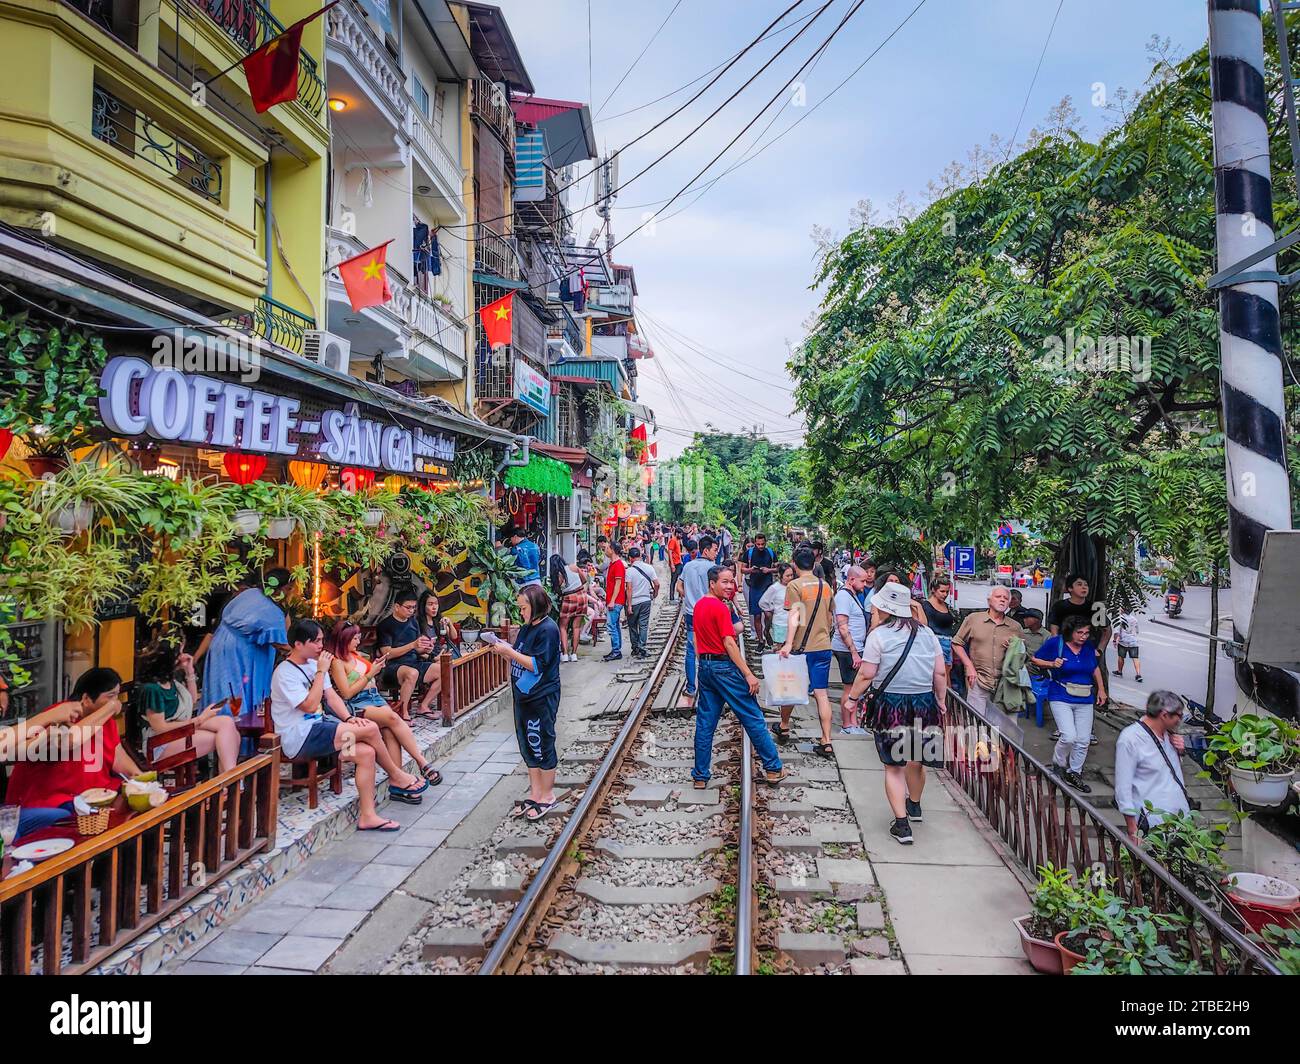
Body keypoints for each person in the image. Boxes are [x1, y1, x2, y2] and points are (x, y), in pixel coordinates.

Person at [270, 620, 428, 830]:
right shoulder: (285, 673)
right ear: (299, 644)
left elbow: (332, 697)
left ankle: (367, 816)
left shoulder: (313, 664)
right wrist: (320, 673)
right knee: (370, 728)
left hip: (323, 731)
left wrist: (348, 718)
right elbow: (309, 706)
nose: (320, 645)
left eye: (321, 640)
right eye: (316, 641)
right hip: (302, 737)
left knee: (365, 753)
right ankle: (397, 776)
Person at [844, 582, 948, 846]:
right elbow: (939, 672)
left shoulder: (878, 636)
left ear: (883, 607)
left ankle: (901, 825)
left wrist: (852, 699)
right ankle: (914, 805)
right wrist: (941, 700)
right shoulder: (927, 634)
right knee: (917, 759)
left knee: (894, 766)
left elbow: (867, 673)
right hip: (924, 703)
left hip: (890, 705)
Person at [6, 668, 142, 840]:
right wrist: (110, 709)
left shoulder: (105, 722)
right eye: (110, 696)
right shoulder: (59, 716)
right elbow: (70, 741)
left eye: (117, 696)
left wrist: (141, 779)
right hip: (52, 802)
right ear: (86, 699)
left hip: (95, 796)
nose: (116, 702)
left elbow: (118, 756)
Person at [691, 565, 786, 787]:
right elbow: (729, 642)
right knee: (752, 717)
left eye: (731, 581)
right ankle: (773, 768)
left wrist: (702, 664)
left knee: (705, 724)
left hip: (706, 668)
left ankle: (700, 776)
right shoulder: (720, 608)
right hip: (724, 668)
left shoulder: (699, 606)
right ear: (712, 583)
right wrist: (748, 674)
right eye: (724, 581)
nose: (730, 586)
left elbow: (696, 640)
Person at [326, 622, 442, 787]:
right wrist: (370, 674)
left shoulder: (356, 655)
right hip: (358, 703)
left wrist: (375, 669)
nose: (358, 642)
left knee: (389, 731)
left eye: (359, 638)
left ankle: (398, 779)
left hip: (374, 698)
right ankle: (421, 762)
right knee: (393, 719)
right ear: (344, 639)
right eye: (355, 638)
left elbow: (368, 677)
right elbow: (347, 693)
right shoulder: (338, 662)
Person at [487, 584, 562, 820]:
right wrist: (505, 650)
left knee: (542, 739)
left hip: (541, 695)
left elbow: (537, 664)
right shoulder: (527, 628)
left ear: (536, 605)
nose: (521, 612)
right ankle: (535, 792)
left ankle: (547, 795)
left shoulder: (548, 630)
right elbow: (520, 654)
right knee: (527, 743)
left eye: (524, 608)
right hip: (523, 695)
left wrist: (509, 653)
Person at [1030, 614, 1107, 793]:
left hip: (1085, 697)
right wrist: (1051, 663)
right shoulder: (1056, 643)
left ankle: (1074, 772)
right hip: (1061, 694)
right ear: (1070, 632)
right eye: (1079, 632)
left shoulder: (1087, 647)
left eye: (1087, 633)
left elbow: (1094, 667)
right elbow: (1035, 659)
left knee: (1083, 740)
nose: (1083, 636)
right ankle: (1058, 765)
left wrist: (1101, 689)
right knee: (1069, 736)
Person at [136, 642, 239, 774]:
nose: (184, 656)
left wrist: (189, 671)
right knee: (227, 738)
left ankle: (228, 780)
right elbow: (160, 728)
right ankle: (231, 780)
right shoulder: (152, 689)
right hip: (159, 743)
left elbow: (192, 699)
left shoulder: (171, 682)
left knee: (226, 722)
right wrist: (199, 720)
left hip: (178, 731)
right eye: (180, 654)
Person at [201, 571, 288, 720]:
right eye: (290, 589)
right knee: (234, 694)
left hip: (224, 645)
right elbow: (280, 644)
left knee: (228, 691)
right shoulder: (270, 608)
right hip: (237, 653)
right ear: (281, 588)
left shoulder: (250, 595)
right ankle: (235, 733)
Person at [777, 545, 835, 758]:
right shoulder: (825, 586)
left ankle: (784, 726)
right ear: (814, 563)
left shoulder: (794, 585)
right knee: (821, 693)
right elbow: (830, 617)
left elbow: (794, 615)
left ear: (794, 563)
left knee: (792, 689)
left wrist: (788, 644)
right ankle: (826, 740)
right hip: (823, 646)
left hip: (802, 648)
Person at [1114, 690, 1190, 841]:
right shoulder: (1130, 739)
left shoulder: (1170, 735)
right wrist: (1132, 829)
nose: (1180, 720)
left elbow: (1169, 770)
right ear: (1164, 715)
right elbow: (1123, 788)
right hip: (1153, 823)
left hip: (1180, 819)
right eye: (1179, 715)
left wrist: (1180, 751)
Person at [951, 585, 1023, 716]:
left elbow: (1023, 656)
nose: (1002, 600)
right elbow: (957, 643)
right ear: (989, 600)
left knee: (1002, 729)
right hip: (979, 680)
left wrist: (1015, 648)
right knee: (977, 723)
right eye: (998, 597)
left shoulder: (1015, 627)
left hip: (1005, 684)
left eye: (1006, 598)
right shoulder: (974, 619)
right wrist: (969, 666)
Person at [376, 588, 440, 720]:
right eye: (408, 607)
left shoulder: (413, 622)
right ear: (397, 607)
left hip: (414, 662)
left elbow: (416, 649)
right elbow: (387, 654)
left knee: (443, 671)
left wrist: (426, 648)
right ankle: (403, 713)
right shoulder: (385, 625)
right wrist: (413, 645)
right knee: (412, 673)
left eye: (414, 608)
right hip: (392, 667)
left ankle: (424, 706)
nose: (411, 611)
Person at [675, 534, 720, 708]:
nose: (716, 553)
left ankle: (691, 687)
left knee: (691, 650)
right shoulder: (714, 568)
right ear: (706, 550)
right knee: (710, 648)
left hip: (691, 613)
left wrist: (689, 597)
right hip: (708, 613)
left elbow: (679, 586)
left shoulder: (688, 566)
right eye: (715, 550)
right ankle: (708, 686)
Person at [831, 565, 873, 734]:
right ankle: (847, 725)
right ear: (851, 579)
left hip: (854, 648)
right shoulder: (843, 597)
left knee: (856, 688)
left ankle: (853, 723)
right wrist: (854, 652)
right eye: (862, 581)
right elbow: (842, 627)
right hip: (848, 650)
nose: (865, 584)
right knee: (850, 688)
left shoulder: (852, 595)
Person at [741, 532, 778, 646]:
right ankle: (760, 639)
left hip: (767, 587)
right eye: (758, 544)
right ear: (755, 543)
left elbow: (777, 568)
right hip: (754, 586)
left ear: (765, 543)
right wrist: (751, 569)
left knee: (768, 614)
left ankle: (766, 631)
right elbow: (742, 569)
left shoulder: (771, 553)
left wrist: (769, 570)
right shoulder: (749, 553)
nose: (760, 546)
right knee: (757, 615)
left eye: (762, 544)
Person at [921, 570, 958, 683]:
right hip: (934, 642)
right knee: (939, 676)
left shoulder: (946, 606)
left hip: (948, 642)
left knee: (947, 673)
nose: (945, 594)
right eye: (942, 591)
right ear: (933, 590)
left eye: (947, 592)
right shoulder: (926, 606)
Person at [550, 552, 587, 662]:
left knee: (563, 627)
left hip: (568, 598)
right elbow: (584, 580)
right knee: (576, 627)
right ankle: (574, 654)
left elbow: (558, 591)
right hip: (581, 596)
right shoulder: (574, 567)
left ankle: (565, 654)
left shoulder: (558, 575)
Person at [624, 546, 659, 660]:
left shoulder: (629, 571)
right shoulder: (649, 568)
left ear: (630, 558)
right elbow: (657, 584)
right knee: (643, 625)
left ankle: (635, 648)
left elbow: (629, 589)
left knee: (632, 625)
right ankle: (642, 646)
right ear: (640, 556)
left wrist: (629, 605)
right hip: (645, 601)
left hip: (633, 602)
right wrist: (655, 593)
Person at [1019, 608, 1051, 726]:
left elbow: (1049, 656)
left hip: (1039, 667)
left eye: (1028, 617)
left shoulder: (1047, 636)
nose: (1025, 619)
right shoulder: (1023, 633)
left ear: (1037, 620)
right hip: (1024, 663)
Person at [602, 539, 628, 662]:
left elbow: (618, 585)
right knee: (615, 625)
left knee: (611, 625)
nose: (605, 550)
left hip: (615, 600)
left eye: (607, 548)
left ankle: (616, 650)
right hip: (614, 599)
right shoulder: (613, 564)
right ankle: (616, 649)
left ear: (612, 550)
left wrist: (612, 600)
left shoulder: (617, 565)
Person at [1113, 608, 1144, 682]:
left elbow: (1116, 632)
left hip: (1123, 642)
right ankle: (1138, 674)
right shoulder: (1134, 619)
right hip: (1133, 641)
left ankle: (1119, 672)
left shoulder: (1120, 619)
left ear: (1123, 610)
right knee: (1135, 658)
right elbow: (1137, 631)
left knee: (1121, 657)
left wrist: (1115, 640)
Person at [666, 530, 683, 599]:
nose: (681, 535)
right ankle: (671, 597)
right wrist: (672, 564)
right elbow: (669, 552)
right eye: (680, 534)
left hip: (679, 562)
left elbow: (677, 552)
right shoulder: (673, 540)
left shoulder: (678, 541)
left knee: (680, 579)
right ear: (676, 533)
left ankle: (679, 596)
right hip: (675, 563)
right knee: (673, 580)